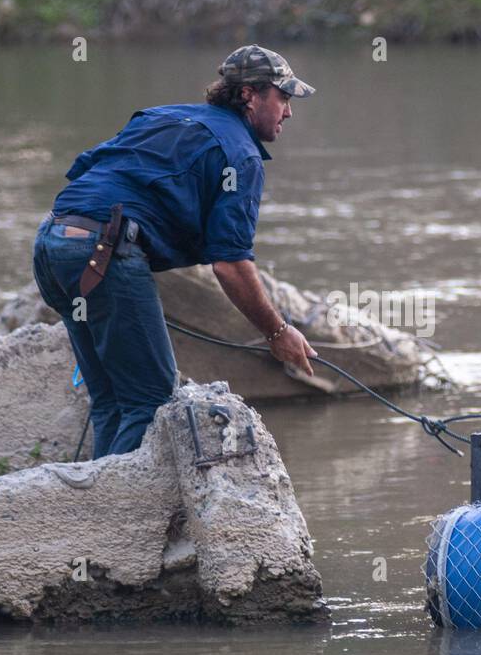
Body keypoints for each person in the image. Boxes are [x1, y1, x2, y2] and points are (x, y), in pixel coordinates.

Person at [32, 44, 318, 458]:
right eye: (283, 97)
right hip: (102, 252)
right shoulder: (241, 155)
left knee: (112, 400)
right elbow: (231, 265)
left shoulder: (162, 115)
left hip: (52, 243)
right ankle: (119, 514)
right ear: (249, 95)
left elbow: (85, 170)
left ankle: (95, 511)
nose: (288, 111)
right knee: (149, 401)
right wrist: (278, 333)